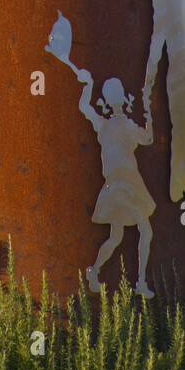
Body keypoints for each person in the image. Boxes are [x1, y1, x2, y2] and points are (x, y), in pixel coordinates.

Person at [75, 69, 155, 298]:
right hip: (128, 182)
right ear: (122, 98)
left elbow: (84, 107)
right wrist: (148, 111)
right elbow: (148, 138)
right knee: (145, 231)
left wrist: (88, 84)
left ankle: (94, 271)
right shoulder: (127, 125)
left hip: (113, 185)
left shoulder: (103, 125)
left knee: (116, 236)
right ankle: (140, 282)